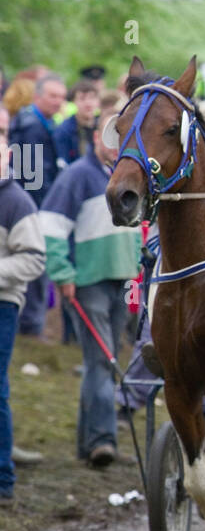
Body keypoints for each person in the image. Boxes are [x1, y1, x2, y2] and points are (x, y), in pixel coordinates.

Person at [39, 126, 140, 466]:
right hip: (88, 282)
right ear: (96, 137)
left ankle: (92, 441)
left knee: (108, 358)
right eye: (110, 139)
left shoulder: (127, 175)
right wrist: (63, 274)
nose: (115, 147)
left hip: (121, 279)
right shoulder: (78, 176)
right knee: (101, 359)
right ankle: (103, 440)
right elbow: (51, 225)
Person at [0, 124, 47, 498]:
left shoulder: (17, 201)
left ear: (9, 157)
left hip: (3, 305)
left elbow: (34, 259)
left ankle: (3, 481)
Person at [8, 72, 66, 334]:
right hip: (33, 207)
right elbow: (31, 177)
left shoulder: (39, 121)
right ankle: (31, 326)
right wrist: (43, 210)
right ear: (38, 96)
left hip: (27, 202)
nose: (58, 102)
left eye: (62, 97)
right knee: (34, 264)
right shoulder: (32, 125)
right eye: (52, 96)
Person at [55, 80, 101, 165]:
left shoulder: (103, 126)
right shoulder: (64, 130)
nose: (88, 103)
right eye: (82, 98)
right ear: (73, 101)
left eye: (92, 97)